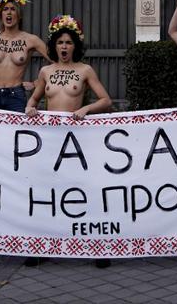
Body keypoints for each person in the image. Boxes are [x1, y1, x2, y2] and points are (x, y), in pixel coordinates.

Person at [25, 14, 114, 267]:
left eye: (69, 42)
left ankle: (97, 247)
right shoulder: (45, 71)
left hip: (77, 140)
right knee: (48, 191)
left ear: (76, 45)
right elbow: (34, 99)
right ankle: (42, 245)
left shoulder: (85, 70)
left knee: (85, 189)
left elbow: (105, 100)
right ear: (54, 45)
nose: (64, 47)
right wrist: (31, 106)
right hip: (51, 139)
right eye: (60, 42)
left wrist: (86, 109)